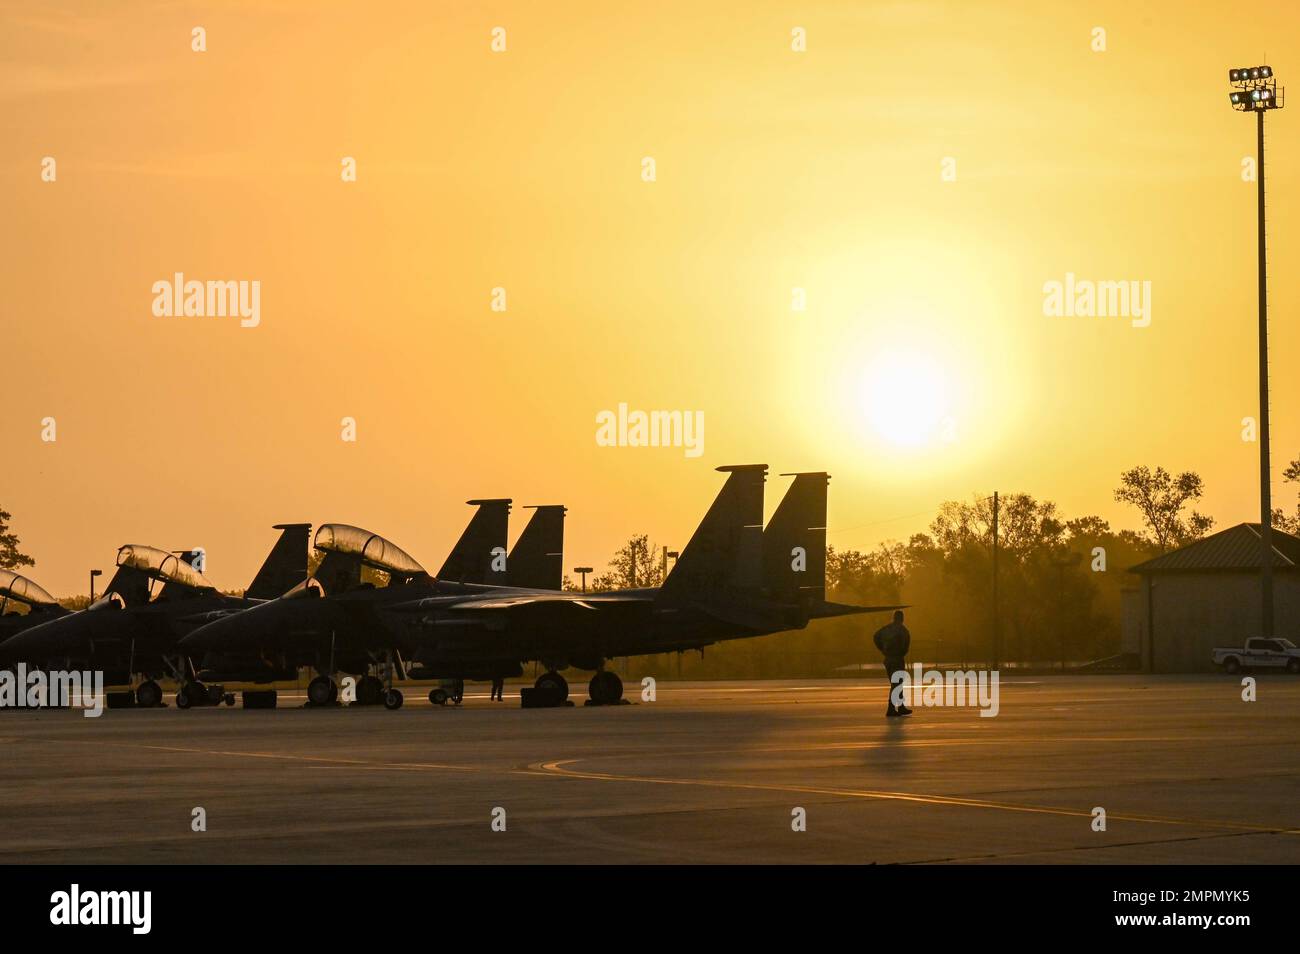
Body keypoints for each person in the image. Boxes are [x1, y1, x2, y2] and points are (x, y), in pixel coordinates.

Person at [873, 610, 912, 718]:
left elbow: (876, 636)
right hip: (897, 659)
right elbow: (906, 645)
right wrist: (901, 652)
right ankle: (891, 708)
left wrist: (882, 649)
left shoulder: (886, 629)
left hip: (888, 659)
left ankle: (900, 706)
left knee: (896, 683)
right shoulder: (903, 630)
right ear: (902, 618)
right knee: (896, 684)